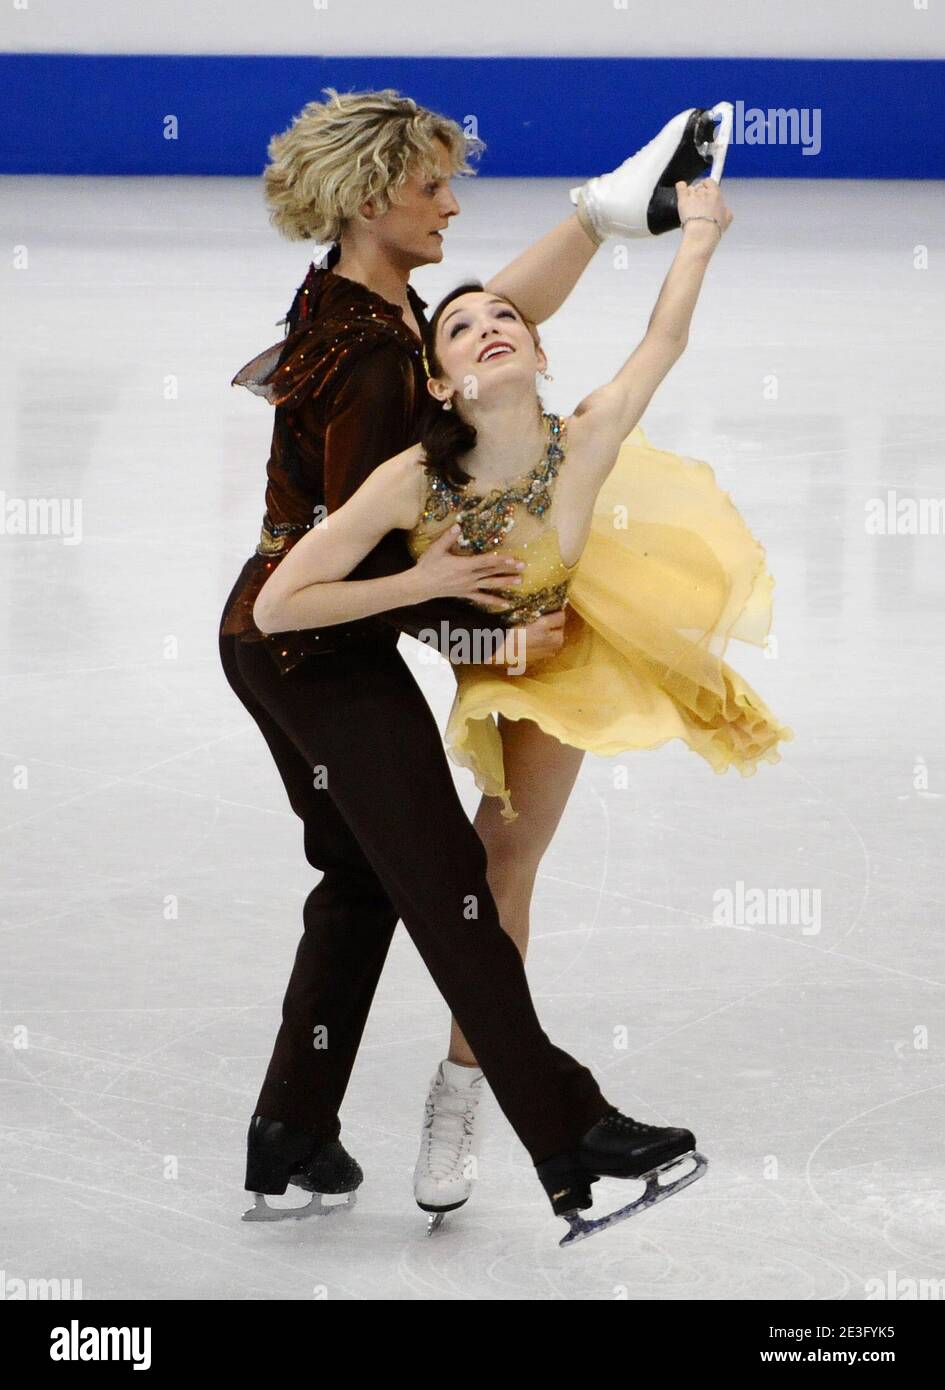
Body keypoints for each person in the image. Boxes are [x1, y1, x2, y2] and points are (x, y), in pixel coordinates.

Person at [222, 88, 725, 1241]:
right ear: (367, 200)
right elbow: (385, 566)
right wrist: (489, 638)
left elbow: (487, 318)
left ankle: (291, 1136)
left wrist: (599, 222)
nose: (452, 204)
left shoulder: (366, 298)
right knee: (453, 889)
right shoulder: (365, 372)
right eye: (431, 189)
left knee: (359, 884)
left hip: (281, 636)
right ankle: (573, 1137)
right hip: (310, 647)